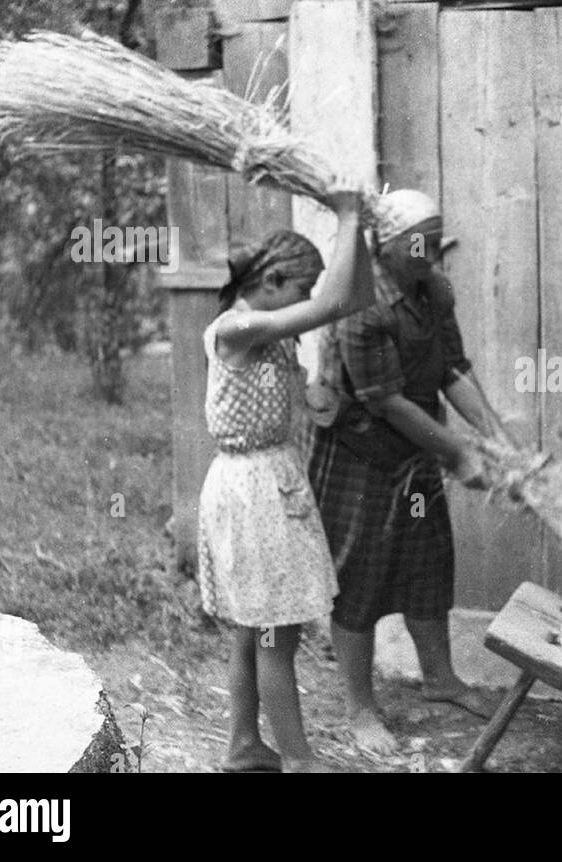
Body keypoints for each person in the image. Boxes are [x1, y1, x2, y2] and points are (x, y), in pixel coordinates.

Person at [307, 189, 509, 755]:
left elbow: (451, 370)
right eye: (418, 243)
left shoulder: (434, 290)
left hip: (417, 446)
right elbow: (385, 401)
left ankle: (441, 678)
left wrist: (501, 441)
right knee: (359, 577)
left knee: (427, 560)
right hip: (361, 450)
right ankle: (360, 707)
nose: (430, 252)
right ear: (386, 245)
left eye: (434, 240)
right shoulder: (358, 302)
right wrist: (460, 455)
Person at [197, 184, 372, 773]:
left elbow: (354, 296)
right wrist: (346, 215)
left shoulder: (264, 330)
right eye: (300, 288)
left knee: (255, 631)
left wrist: (359, 228)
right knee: (276, 631)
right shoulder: (236, 328)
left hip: (266, 484)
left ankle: (245, 746)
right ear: (270, 283)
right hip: (251, 493)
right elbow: (335, 306)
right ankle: (300, 761)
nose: (306, 301)